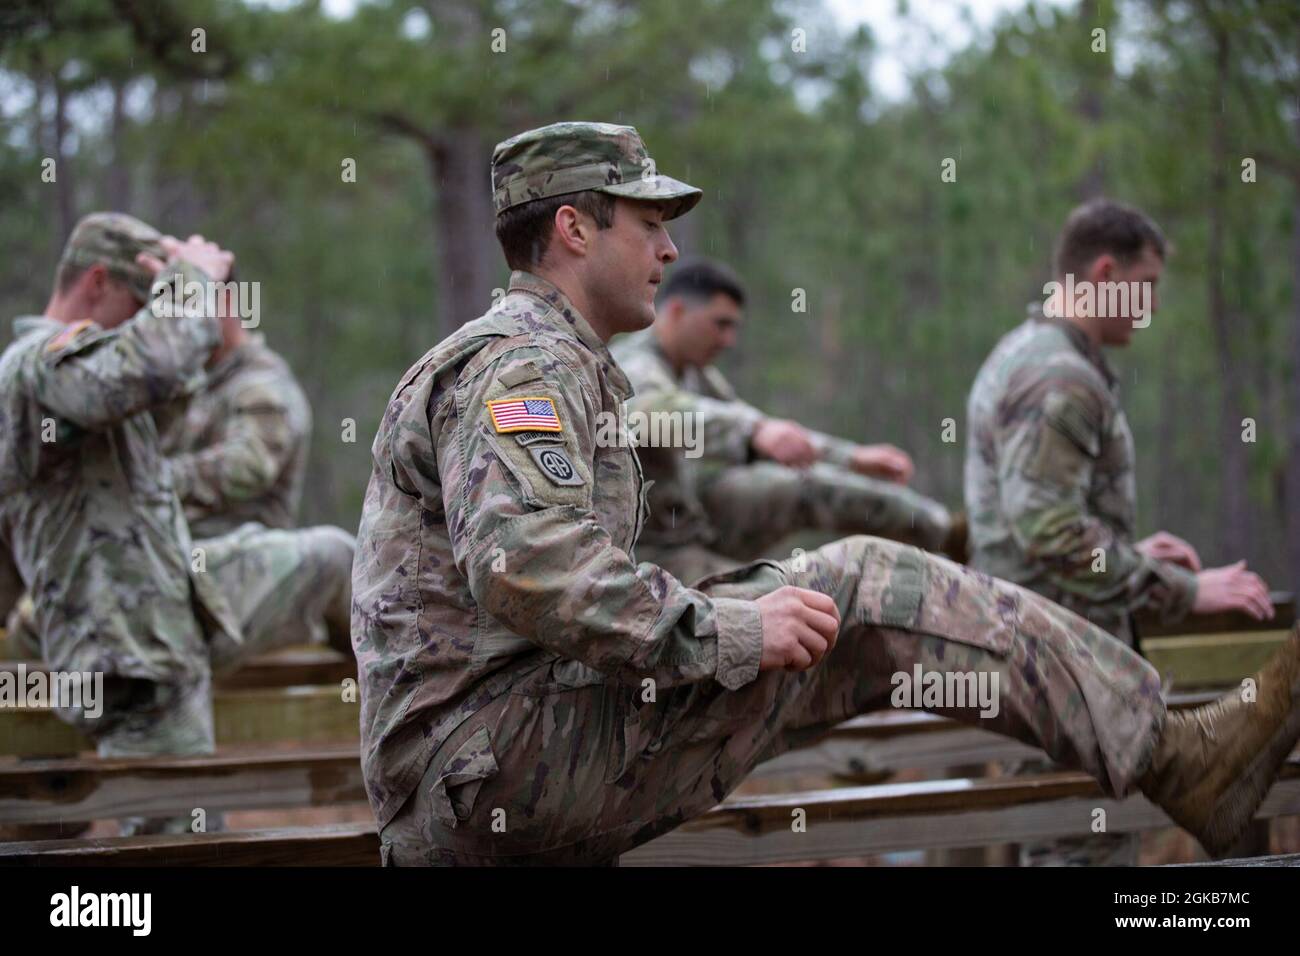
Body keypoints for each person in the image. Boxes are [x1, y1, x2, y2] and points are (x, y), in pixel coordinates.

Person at [353, 123, 1300, 867]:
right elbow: (526, 566)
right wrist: (725, 629)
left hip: (501, 753)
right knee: (857, 586)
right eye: (649, 224)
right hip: (484, 768)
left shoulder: (554, 362)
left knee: (852, 619)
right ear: (574, 228)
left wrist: (748, 611)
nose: (670, 250)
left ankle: (1176, 751)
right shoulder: (520, 365)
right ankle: (1177, 756)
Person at [964, 197, 1275, 865]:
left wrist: (1127, 554)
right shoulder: (1060, 376)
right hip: (1062, 663)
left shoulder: (1028, 351)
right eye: (1150, 285)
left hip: (1045, 650)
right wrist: (1182, 590)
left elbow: (1042, 522)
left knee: (1070, 836)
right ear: (1106, 273)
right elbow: (1049, 535)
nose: (1154, 306)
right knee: (1080, 846)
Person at [0, 212, 354, 773]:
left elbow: (177, 396)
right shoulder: (50, 364)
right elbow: (155, 363)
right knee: (175, 826)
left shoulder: (60, 374)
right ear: (96, 282)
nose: (145, 320)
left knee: (338, 556)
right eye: (141, 304)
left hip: (150, 626)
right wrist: (191, 278)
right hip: (129, 649)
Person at [611, 258, 961, 584]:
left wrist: (851, 458)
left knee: (805, 485)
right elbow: (655, 415)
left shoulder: (692, 371)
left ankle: (951, 535)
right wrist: (754, 432)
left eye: (734, 328)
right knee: (796, 599)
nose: (729, 340)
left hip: (692, 520)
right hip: (650, 553)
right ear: (676, 312)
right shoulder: (634, 366)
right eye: (721, 324)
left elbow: (766, 431)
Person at [155, 275, 312, 538]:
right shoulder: (198, 381)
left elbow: (249, 467)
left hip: (240, 554)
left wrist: (157, 480)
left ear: (225, 302)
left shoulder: (262, 383)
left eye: (188, 307)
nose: (179, 325)